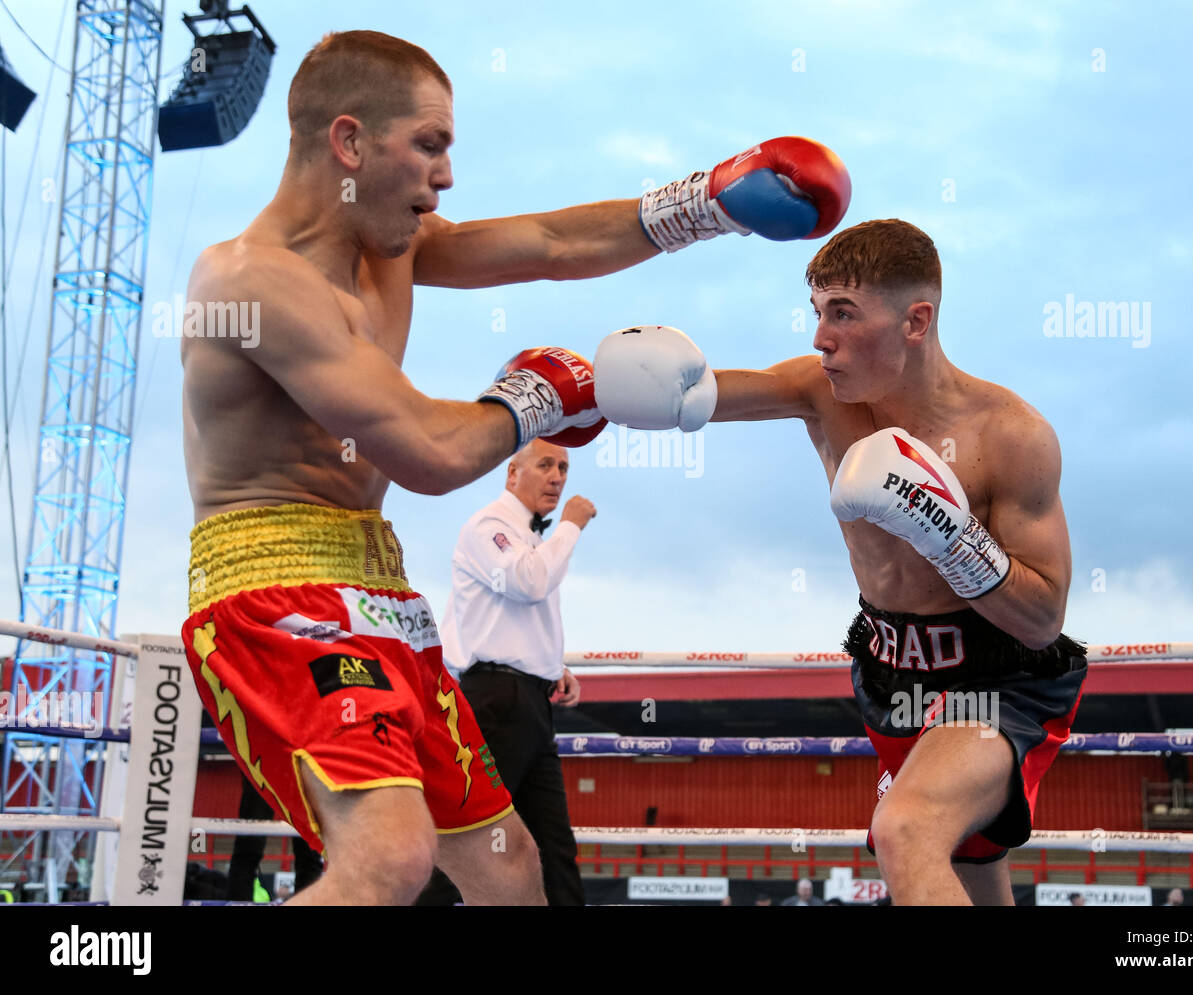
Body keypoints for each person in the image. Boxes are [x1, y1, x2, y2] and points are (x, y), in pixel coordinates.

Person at [179, 29, 850, 906]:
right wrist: (532, 399)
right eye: (429, 145)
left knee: (507, 869)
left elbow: (548, 241)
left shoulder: (391, 249)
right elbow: (430, 449)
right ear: (348, 142)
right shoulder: (248, 283)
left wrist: (709, 202)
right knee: (388, 859)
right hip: (272, 597)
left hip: (381, 592)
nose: (445, 176)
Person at [595, 219, 1087, 907]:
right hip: (892, 673)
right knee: (970, 872)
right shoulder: (821, 391)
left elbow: (1043, 619)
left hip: (997, 678)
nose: (821, 336)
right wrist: (584, 389)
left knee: (907, 829)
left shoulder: (1010, 435)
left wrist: (950, 534)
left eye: (844, 313)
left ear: (917, 321)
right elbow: (693, 394)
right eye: (818, 311)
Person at [418, 440, 595, 906]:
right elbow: (528, 583)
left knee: (554, 848)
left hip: (530, 703)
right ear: (512, 473)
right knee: (466, 838)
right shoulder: (488, 526)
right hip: (496, 701)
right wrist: (572, 526)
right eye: (545, 464)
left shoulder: (533, 539)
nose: (557, 476)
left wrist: (551, 666)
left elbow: (508, 619)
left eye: (563, 467)